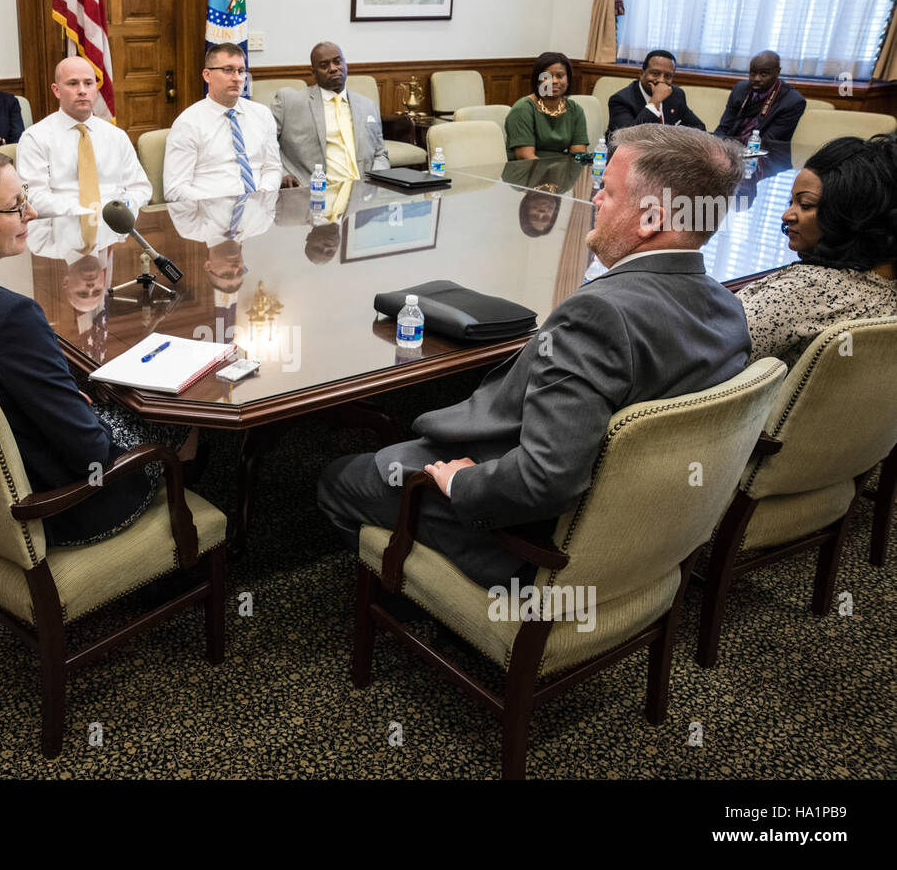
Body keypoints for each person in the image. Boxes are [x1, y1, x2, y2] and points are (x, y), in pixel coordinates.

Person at [318, 125, 751, 589]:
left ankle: (417, 603)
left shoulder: (598, 315)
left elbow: (546, 480)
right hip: (647, 535)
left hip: (529, 540)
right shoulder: (730, 310)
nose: (596, 201)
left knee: (339, 478)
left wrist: (463, 485)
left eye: (605, 190)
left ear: (650, 219)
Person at [0, 144, 194, 545]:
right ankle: (183, 539)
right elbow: (92, 453)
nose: (31, 214)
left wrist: (63, 399)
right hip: (60, 506)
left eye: (26, 200)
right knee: (179, 405)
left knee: (94, 390)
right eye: (15, 207)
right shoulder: (12, 316)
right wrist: (81, 410)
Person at [739, 134, 897, 365]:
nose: (787, 216)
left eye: (805, 205)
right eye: (789, 202)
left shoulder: (802, 292)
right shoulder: (885, 288)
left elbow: (699, 358)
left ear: (850, 214)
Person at [16, 56, 150, 218]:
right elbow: (31, 198)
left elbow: (141, 188)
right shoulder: (34, 138)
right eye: (73, 83)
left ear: (96, 88)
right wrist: (88, 213)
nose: (82, 90)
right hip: (60, 230)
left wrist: (123, 207)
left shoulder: (117, 136)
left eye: (88, 83)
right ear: (56, 90)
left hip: (116, 228)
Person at [164, 43, 295, 201]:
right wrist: (218, 205)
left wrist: (263, 194)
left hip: (259, 211)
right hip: (209, 216)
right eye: (228, 70)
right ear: (207, 75)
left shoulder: (262, 115)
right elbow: (175, 189)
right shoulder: (188, 123)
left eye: (241, 71)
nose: (237, 78)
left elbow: (272, 168)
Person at [271, 41, 389, 182]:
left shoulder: (367, 105)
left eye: (337, 62)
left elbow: (380, 154)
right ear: (313, 73)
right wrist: (282, 174)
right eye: (324, 65)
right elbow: (265, 145)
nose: (333, 69)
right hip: (313, 193)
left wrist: (375, 181)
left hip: (362, 191)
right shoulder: (289, 101)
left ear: (345, 64)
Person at [503, 52, 589, 160]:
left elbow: (578, 155)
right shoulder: (523, 109)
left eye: (560, 76)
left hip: (560, 172)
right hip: (526, 172)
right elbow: (525, 157)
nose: (554, 81)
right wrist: (550, 177)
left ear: (568, 80)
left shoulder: (575, 110)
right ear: (537, 81)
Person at [606, 49, 707, 140]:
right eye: (655, 74)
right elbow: (627, 140)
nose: (661, 80)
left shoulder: (676, 94)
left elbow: (699, 128)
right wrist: (655, 102)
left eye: (667, 76)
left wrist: (671, 137)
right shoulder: (621, 100)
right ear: (641, 74)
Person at [715, 51, 807, 145]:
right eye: (752, 73)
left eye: (763, 74)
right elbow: (723, 128)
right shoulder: (740, 89)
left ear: (777, 72)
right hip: (729, 149)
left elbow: (769, 141)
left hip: (766, 154)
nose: (756, 79)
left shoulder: (792, 101)